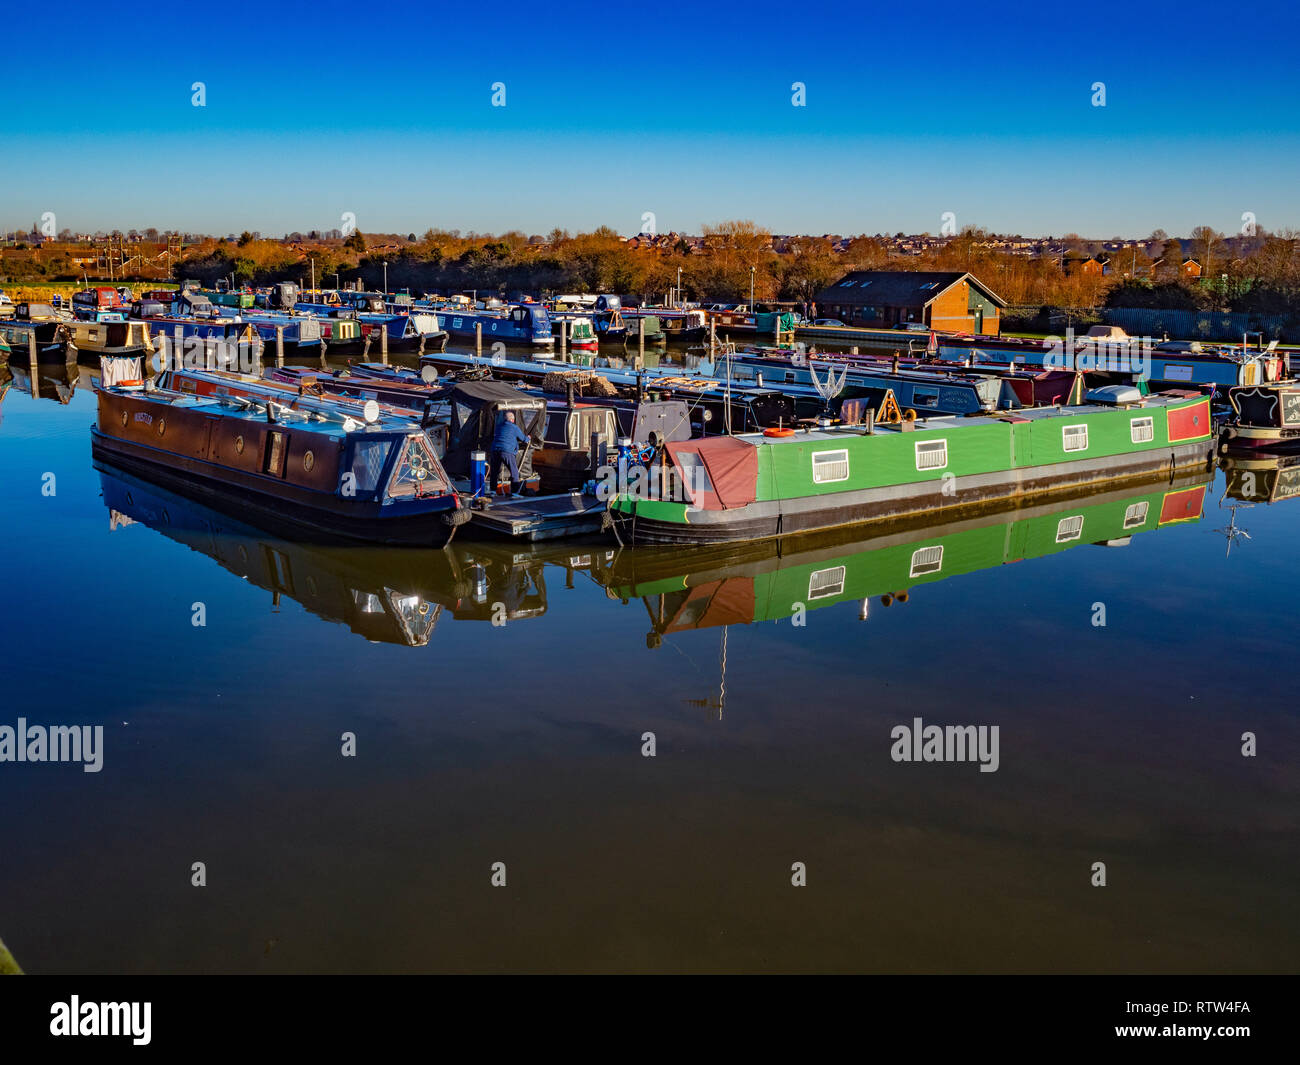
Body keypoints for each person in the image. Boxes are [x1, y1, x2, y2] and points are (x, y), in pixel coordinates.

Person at [490, 410, 529, 496]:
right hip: (507, 451)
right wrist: (528, 438)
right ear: (512, 420)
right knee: (514, 472)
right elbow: (523, 439)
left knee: (494, 471)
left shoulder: (499, 426)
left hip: (495, 450)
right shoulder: (514, 427)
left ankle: (492, 491)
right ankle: (514, 493)